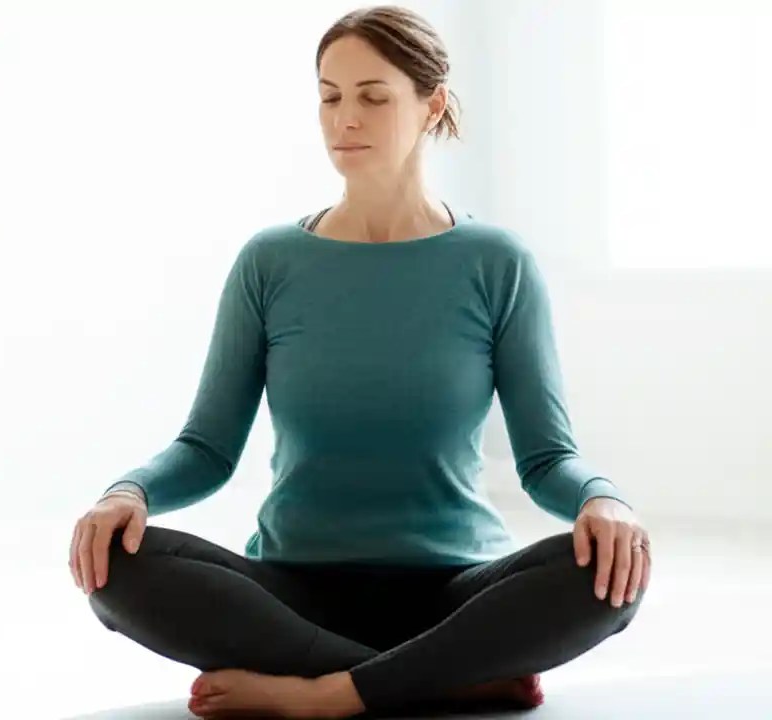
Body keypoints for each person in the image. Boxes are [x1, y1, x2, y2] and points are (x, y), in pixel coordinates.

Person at [68, 5, 652, 719]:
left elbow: (546, 458)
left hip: (453, 591)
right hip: (293, 592)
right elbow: (207, 448)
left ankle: (330, 694)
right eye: (330, 95)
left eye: (373, 97)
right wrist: (127, 493)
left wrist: (603, 499)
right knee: (117, 566)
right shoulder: (270, 262)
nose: (346, 118)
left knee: (610, 573)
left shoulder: (497, 264)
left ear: (430, 104)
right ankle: (445, 679)